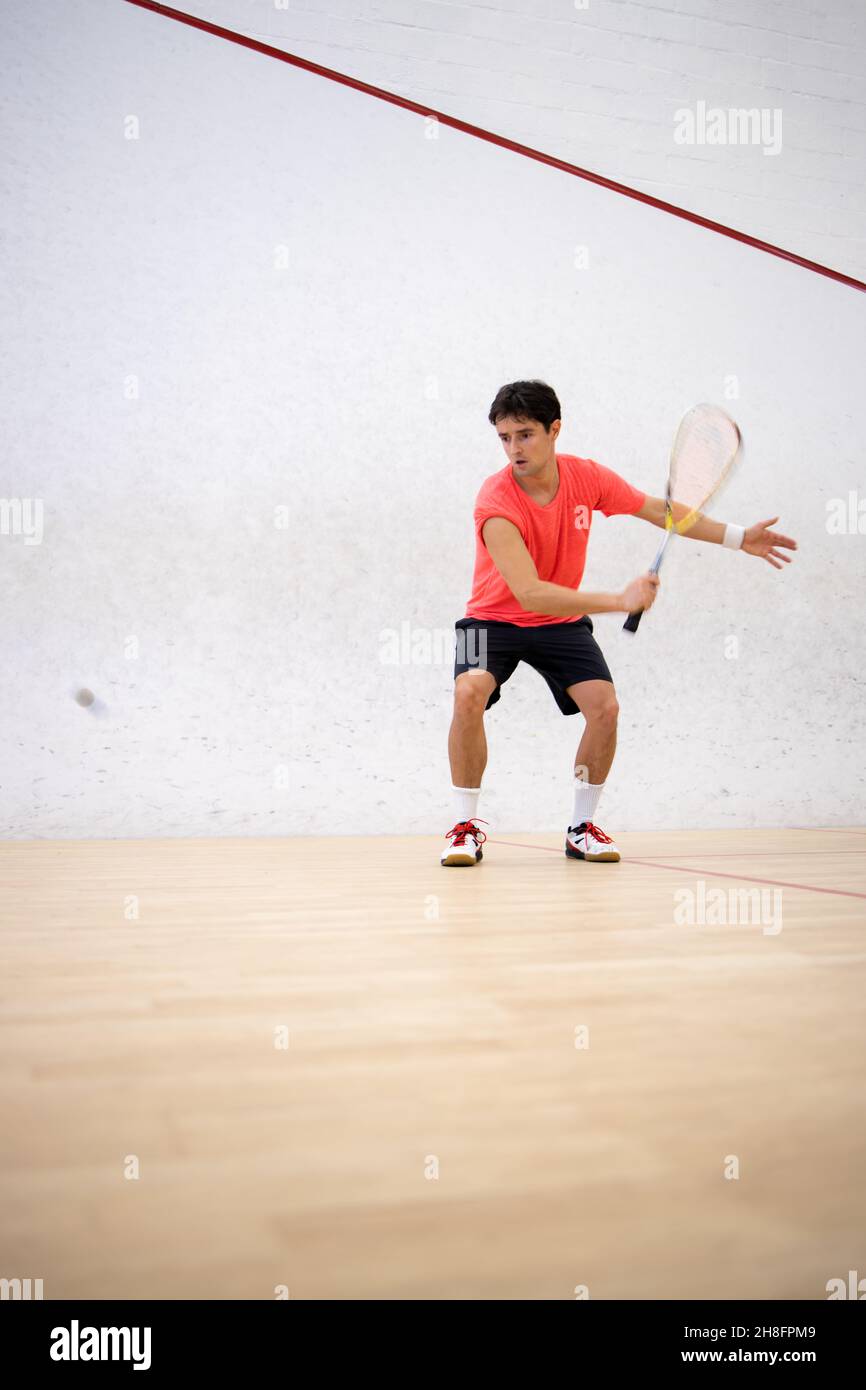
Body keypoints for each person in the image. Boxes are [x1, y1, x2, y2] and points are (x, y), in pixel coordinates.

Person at [442, 379, 796, 867]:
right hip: (491, 619)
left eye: (524, 434)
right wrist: (618, 598)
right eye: (504, 438)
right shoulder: (496, 500)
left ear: (554, 429)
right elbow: (530, 593)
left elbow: (659, 510)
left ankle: (581, 826)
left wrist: (737, 537)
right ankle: (465, 825)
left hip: (560, 623)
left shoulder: (587, 478)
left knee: (605, 708)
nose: (514, 449)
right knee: (468, 692)